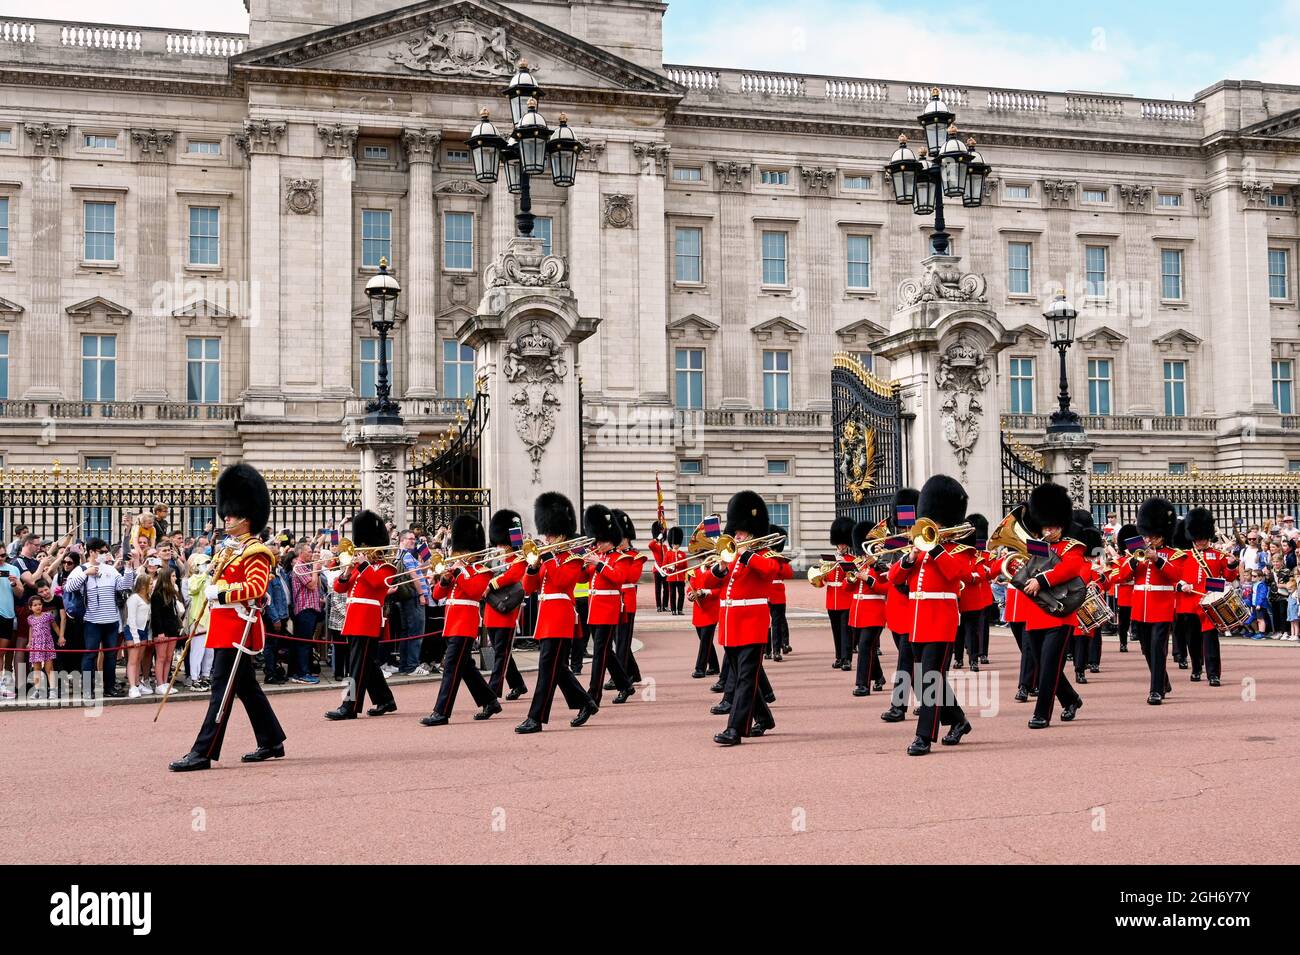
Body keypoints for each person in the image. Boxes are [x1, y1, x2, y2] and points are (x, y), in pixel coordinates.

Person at [169, 463, 287, 772]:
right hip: (223, 627)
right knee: (247, 687)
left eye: (231, 515)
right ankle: (271, 739)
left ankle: (203, 751)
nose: (226, 518)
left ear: (246, 518)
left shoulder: (256, 552)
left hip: (238, 628)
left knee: (220, 689)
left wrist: (220, 593)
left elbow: (257, 588)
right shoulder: (228, 551)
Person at [888, 475, 972, 755]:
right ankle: (958, 720)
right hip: (917, 620)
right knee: (925, 676)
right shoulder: (919, 550)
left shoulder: (957, 549)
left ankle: (924, 736)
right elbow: (893, 577)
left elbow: (956, 574)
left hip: (941, 620)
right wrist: (909, 558)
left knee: (931, 679)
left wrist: (934, 549)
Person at [515, 492, 600, 734]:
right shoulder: (547, 560)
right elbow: (528, 588)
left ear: (562, 533)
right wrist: (532, 567)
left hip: (561, 617)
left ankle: (536, 717)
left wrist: (547, 559)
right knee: (557, 668)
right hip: (546, 618)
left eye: (550, 533)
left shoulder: (572, 559)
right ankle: (586, 702)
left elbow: (563, 583)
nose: (547, 537)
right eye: (546, 533)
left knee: (547, 668)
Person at [701, 490, 780, 745]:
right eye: (735, 532)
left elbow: (771, 571)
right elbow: (708, 582)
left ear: (752, 533)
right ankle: (764, 718)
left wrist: (746, 554)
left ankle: (735, 728)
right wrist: (721, 567)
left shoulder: (763, 555)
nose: (736, 536)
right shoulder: (731, 556)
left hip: (752, 623)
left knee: (745, 679)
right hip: (730, 623)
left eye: (740, 533)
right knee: (745, 677)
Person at [420, 514, 500, 725]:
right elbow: (437, 595)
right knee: (465, 667)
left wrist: (460, 570)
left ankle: (442, 712)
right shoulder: (456, 572)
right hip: (452, 623)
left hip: (465, 625)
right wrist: (445, 579)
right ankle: (490, 700)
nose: (458, 555)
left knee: (451, 667)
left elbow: (474, 592)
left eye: (462, 552)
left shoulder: (481, 571)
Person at [325, 510, 398, 721]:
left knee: (356, 666)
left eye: (365, 546)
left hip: (367, 620)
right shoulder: (357, 567)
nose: (361, 550)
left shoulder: (386, 567)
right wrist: (347, 572)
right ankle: (385, 699)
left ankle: (349, 705)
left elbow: (377, 584)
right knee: (365, 663)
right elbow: (339, 588)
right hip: (353, 619)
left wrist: (364, 564)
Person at [1127, 497, 1185, 705]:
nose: (1150, 539)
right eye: (1148, 535)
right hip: (1140, 608)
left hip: (1161, 607)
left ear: (1163, 536)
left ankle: (1155, 691)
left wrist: (1158, 559)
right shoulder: (1137, 553)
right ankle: (1164, 682)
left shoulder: (1174, 554)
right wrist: (1134, 561)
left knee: (1158, 648)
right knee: (1146, 649)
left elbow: (1176, 574)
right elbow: (1120, 575)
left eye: (1155, 536)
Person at [62, 538, 135, 699]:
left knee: (110, 655)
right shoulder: (80, 569)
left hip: (111, 620)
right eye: (102, 552)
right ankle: (88, 689)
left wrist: (129, 568)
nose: (105, 554)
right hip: (91, 621)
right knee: (90, 654)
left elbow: (124, 586)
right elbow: (68, 588)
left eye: (106, 551)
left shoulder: (110, 570)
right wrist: (85, 574)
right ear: (92, 552)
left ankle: (109, 687)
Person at [1173, 507, 1239, 686]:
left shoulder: (1219, 555)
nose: (1201, 541)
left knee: (1211, 639)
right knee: (1192, 639)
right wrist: (1181, 585)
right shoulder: (1183, 556)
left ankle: (1213, 674)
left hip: (1209, 603)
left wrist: (1232, 565)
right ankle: (1196, 668)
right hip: (1188, 602)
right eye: (1198, 538)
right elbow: (1172, 577)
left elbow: (1229, 577)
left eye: (1203, 538)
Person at [580, 504, 637, 707]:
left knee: (599, 652)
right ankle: (625, 685)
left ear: (611, 539)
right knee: (606, 652)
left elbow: (619, 578)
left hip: (608, 609)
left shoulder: (620, 558)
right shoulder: (599, 556)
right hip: (594, 609)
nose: (598, 544)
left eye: (601, 540)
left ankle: (593, 694)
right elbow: (582, 580)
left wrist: (599, 564)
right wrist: (582, 563)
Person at [881, 487, 921, 723]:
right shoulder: (893, 543)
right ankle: (927, 702)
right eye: (904, 524)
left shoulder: (923, 541)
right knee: (911, 658)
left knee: (906, 660)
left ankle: (898, 706)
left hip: (913, 608)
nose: (907, 529)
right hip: (896, 609)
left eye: (910, 525)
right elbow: (888, 571)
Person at [483, 509, 529, 701]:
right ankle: (518, 684)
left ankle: (492, 692)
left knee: (501, 654)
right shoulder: (495, 558)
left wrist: (492, 583)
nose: (500, 547)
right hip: (491, 611)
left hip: (506, 611)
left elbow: (514, 575)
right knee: (501, 650)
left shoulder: (518, 559)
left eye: (503, 543)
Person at [848, 520, 888, 696]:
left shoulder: (881, 565)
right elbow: (845, 588)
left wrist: (868, 578)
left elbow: (886, 588)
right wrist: (852, 576)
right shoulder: (860, 564)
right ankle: (878, 677)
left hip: (874, 613)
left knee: (865, 646)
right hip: (858, 612)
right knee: (867, 647)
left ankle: (862, 685)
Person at [611, 509, 646, 686]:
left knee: (623, 641)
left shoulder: (636, 557)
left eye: (622, 539)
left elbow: (629, 578)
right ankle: (634, 673)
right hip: (613, 601)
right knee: (618, 640)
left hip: (627, 601)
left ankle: (619, 675)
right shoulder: (614, 557)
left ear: (628, 538)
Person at [955, 514, 992, 673]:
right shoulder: (953, 555)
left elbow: (982, 575)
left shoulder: (975, 556)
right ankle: (958, 658)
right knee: (958, 631)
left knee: (973, 631)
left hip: (973, 599)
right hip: (957, 598)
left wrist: (972, 576)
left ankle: (974, 659)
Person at [395, 530, 430, 675]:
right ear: (402, 540)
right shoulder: (407, 555)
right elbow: (414, 575)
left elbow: (417, 571)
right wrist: (422, 594)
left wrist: (425, 563)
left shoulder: (401, 555)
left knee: (407, 632)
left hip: (407, 598)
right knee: (416, 633)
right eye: (410, 539)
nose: (413, 541)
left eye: (414, 539)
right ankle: (412, 666)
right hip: (414, 597)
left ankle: (405, 665)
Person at [288, 542, 323, 684]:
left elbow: (317, 586)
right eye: (308, 551)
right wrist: (315, 568)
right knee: (303, 644)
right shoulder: (300, 567)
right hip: (304, 610)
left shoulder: (307, 567)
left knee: (307, 643)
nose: (311, 553)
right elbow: (312, 584)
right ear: (301, 553)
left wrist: (317, 571)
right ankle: (302, 673)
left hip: (311, 609)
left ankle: (304, 671)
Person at [149, 560, 185, 696]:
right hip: (162, 630)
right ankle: (159, 683)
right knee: (161, 657)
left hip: (172, 628)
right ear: (166, 578)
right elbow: (156, 615)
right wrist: (160, 632)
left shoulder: (173, 593)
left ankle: (165, 682)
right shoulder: (158, 594)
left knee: (169, 657)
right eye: (173, 576)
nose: (175, 578)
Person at [825, 516, 855, 670]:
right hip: (831, 599)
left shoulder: (851, 559)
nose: (841, 546)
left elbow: (851, 579)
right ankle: (838, 657)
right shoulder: (828, 560)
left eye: (844, 543)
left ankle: (847, 658)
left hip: (845, 599)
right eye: (839, 543)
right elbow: (823, 578)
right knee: (836, 630)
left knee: (846, 631)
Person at [185, 552, 213, 690]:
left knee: (210, 652)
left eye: (209, 563)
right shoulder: (193, 578)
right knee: (197, 651)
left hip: (212, 620)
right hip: (198, 619)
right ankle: (194, 678)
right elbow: (193, 589)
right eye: (205, 563)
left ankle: (206, 676)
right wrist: (205, 573)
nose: (208, 566)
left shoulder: (211, 579)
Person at [687, 559, 720, 678]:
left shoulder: (716, 571)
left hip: (711, 610)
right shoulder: (695, 571)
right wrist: (690, 594)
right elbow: (690, 587)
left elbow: (720, 590)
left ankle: (700, 668)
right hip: (699, 610)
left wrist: (706, 592)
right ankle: (714, 666)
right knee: (705, 640)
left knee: (705, 641)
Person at [766, 525, 794, 663]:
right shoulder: (763, 556)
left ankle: (778, 649)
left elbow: (788, 574)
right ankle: (767, 649)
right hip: (764, 592)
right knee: (766, 622)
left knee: (778, 621)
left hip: (777, 594)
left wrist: (780, 562)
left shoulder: (779, 558)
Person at [24, 594, 58, 700]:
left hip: (47, 643)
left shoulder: (48, 615)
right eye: (35, 605)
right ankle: (37, 690)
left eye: (39, 604)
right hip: (36, 645)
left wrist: (61, 637)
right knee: (36, 668)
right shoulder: (30, 618)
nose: (38, 606)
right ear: (30, 607)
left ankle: (52, 691)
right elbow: (31, 630)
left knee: (49, 668)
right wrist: (30, 642)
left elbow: (55, 626)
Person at [663, 526, 687, 615]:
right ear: (671, 544)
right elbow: (664, 565)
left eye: (676, 544)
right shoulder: (668, 554)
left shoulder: (682, 554)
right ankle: (673, 610)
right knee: (672, 594)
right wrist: (669, 568)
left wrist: (685, 577)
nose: (675, 545)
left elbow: (685, 566)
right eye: (673, 544)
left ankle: (680, 609)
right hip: (671, 577)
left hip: (680, 577)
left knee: (681, 594)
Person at [649, 520, 668, 613]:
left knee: (666, 589)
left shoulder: (665, 547)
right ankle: (658, 606)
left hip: (665, 569)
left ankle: (665, 605)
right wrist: (657, 538)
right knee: (658, 589)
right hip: (657, 569)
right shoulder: (655, 546)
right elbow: (650, 545)